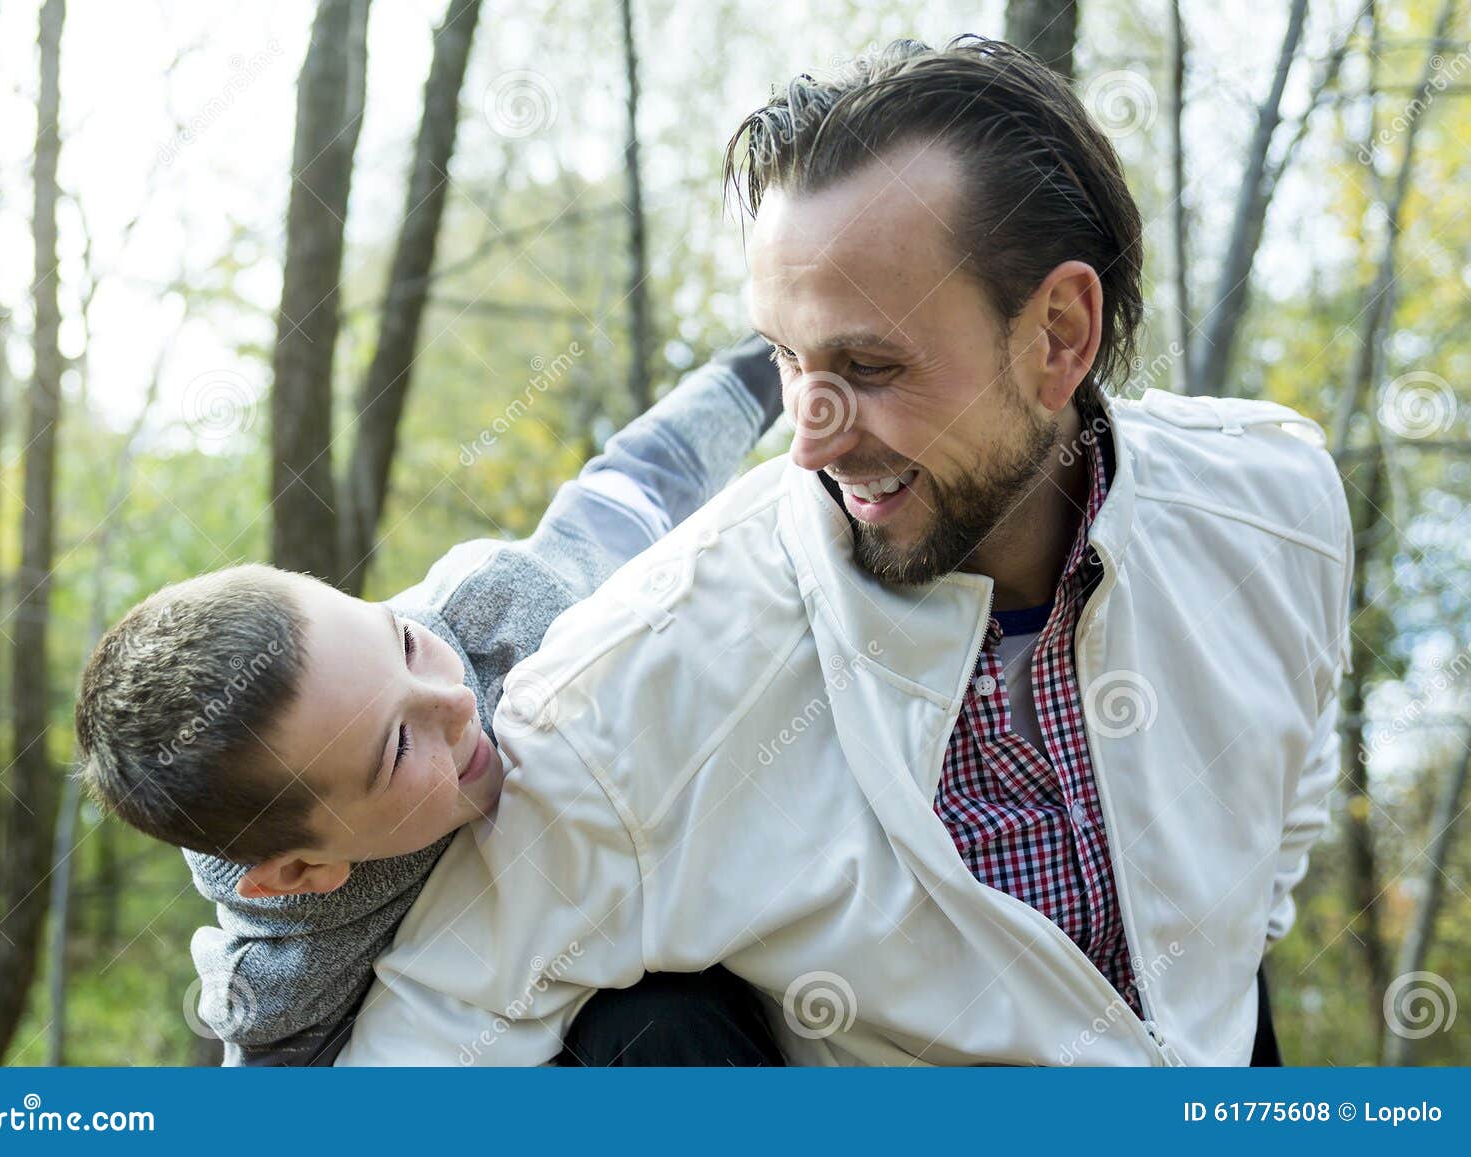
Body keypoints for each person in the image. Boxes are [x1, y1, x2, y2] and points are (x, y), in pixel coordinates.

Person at [334, 36, 1351, 1067]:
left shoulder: (1275, 505)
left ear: (1058, 333)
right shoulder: (640, 687)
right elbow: (422, 1047)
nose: (808, 436)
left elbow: (1287, 795)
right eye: (786, 355)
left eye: (869, 363)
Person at [72, 338, 782, 1064]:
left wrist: (774, 364)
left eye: (406, 641)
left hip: (695, 925)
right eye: (399, 748)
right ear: (300, 872)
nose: (452, 700)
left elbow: (635, 487)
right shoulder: (290, 971)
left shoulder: (497, 617)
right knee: (650, 1022)